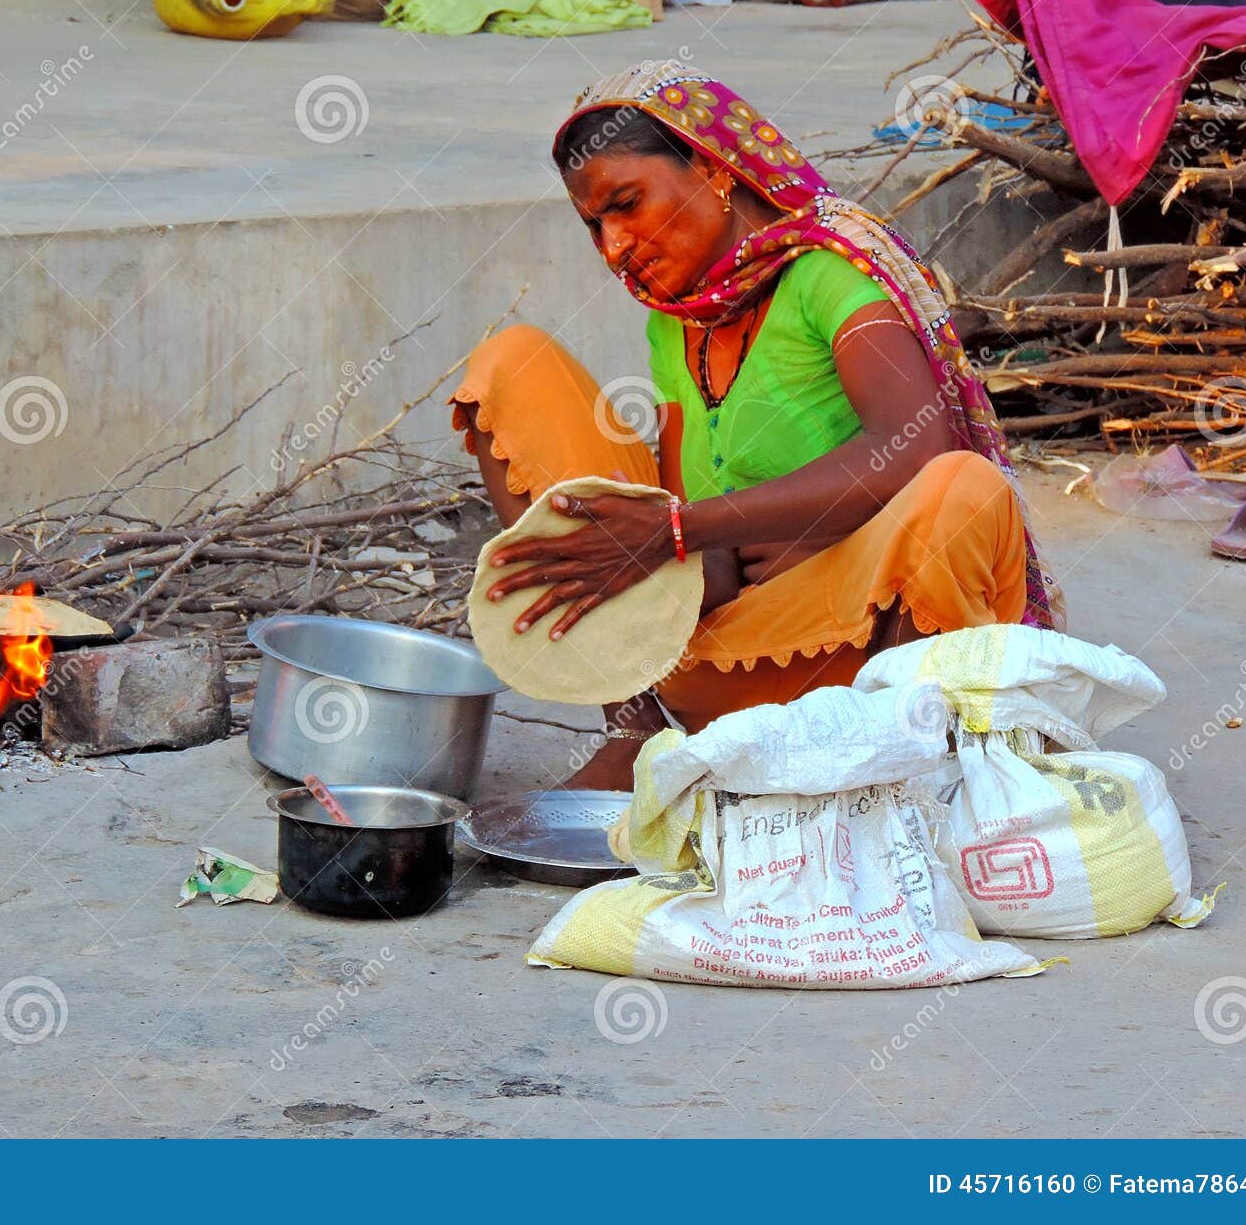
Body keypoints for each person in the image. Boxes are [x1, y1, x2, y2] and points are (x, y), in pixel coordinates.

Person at [452, 61, 1059, 789]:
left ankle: (898, 772)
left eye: (626, 204)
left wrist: (690, 529)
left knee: (964, 490)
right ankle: (635, 731)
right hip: (709, 670)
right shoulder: (675, 320)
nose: (613, 247)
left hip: (851, 662)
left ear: (713, 170)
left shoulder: (832, 271)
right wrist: (672, 541)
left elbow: (914, 444)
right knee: (512, 365)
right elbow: (696, 550)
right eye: (594, 226)